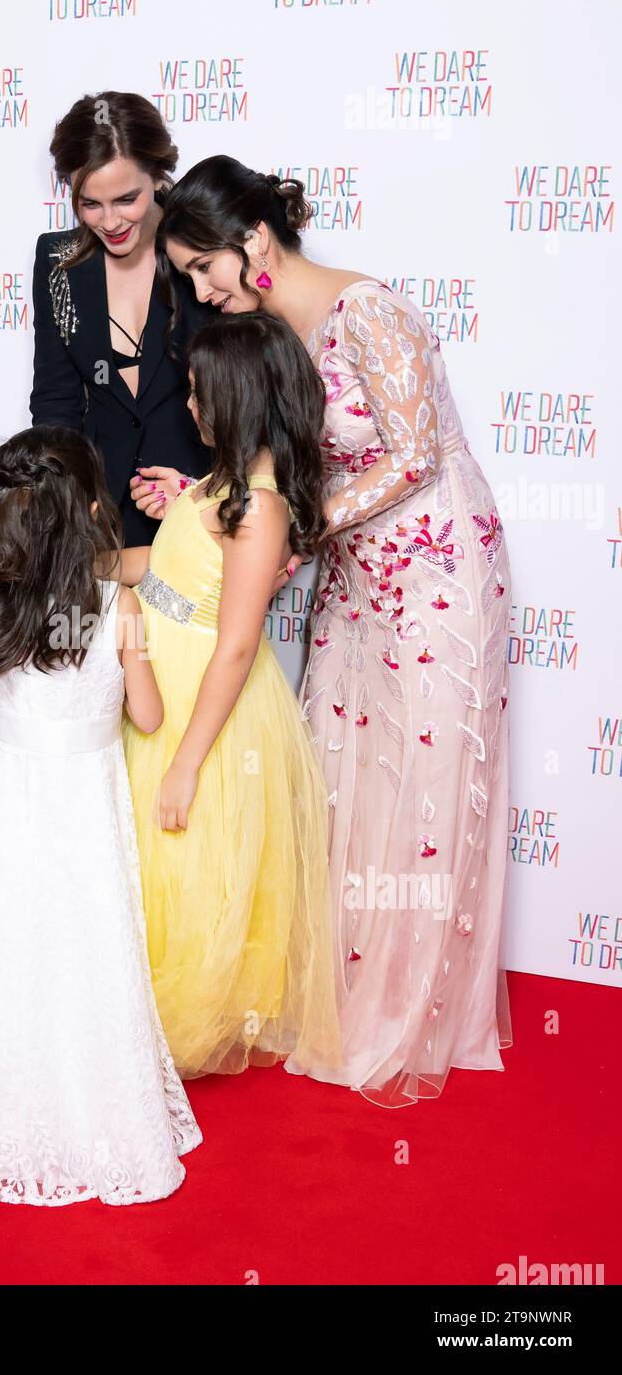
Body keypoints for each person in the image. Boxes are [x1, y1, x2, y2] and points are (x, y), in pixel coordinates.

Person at [140, 155, 512, 1105]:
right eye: (187, 275)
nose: (199, 289)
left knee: (425, 787)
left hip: (437, 573)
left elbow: (416, 458)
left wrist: (287, 526)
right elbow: (273, 471)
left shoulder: (368, 313)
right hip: (353, 576)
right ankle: (343, 993)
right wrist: (216, 505)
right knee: (345, 772)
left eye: (201, 268)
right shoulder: (272, 335)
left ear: (253, 241)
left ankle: (410, 1013)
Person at [0, 427, 202, 1205]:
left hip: (0, 803)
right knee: (80, 941)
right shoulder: (118, 603)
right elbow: (150, 718)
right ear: (92, 510)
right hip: (82, 813)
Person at [120, 313, 341, 1081]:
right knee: (144, 855)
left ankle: (179, 1008)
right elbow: (167, 564)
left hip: (202, 706)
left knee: (185, 850)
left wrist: (185, 761)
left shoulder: (262, 504)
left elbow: (239, 643)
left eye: (197, 391)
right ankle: (127, 994)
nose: (187, 404)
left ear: (238, 397)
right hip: (158, 674)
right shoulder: (217, 482)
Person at [29, 91, 213, 546]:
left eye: (127, 198)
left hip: (196, 506)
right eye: (90, 203)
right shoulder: (57, 260)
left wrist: (206, 495)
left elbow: (245, 390)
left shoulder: (202, 251)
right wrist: (67, 498)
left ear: (158, 174)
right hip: (98, 516)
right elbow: (56, 400)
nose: (110, 221)